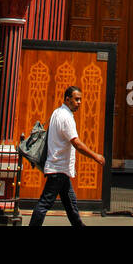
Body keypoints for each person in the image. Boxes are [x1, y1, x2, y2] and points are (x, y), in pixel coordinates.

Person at [28, 84, 105, 227]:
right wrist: (95, 156)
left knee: (71, 204)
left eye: (80, 100)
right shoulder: (66, 117)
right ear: (67, 99)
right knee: (45, 203)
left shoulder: (57, 112)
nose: (79, 103)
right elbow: (76, 143)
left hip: (60, 167)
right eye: (76, 99)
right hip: (58, 168)